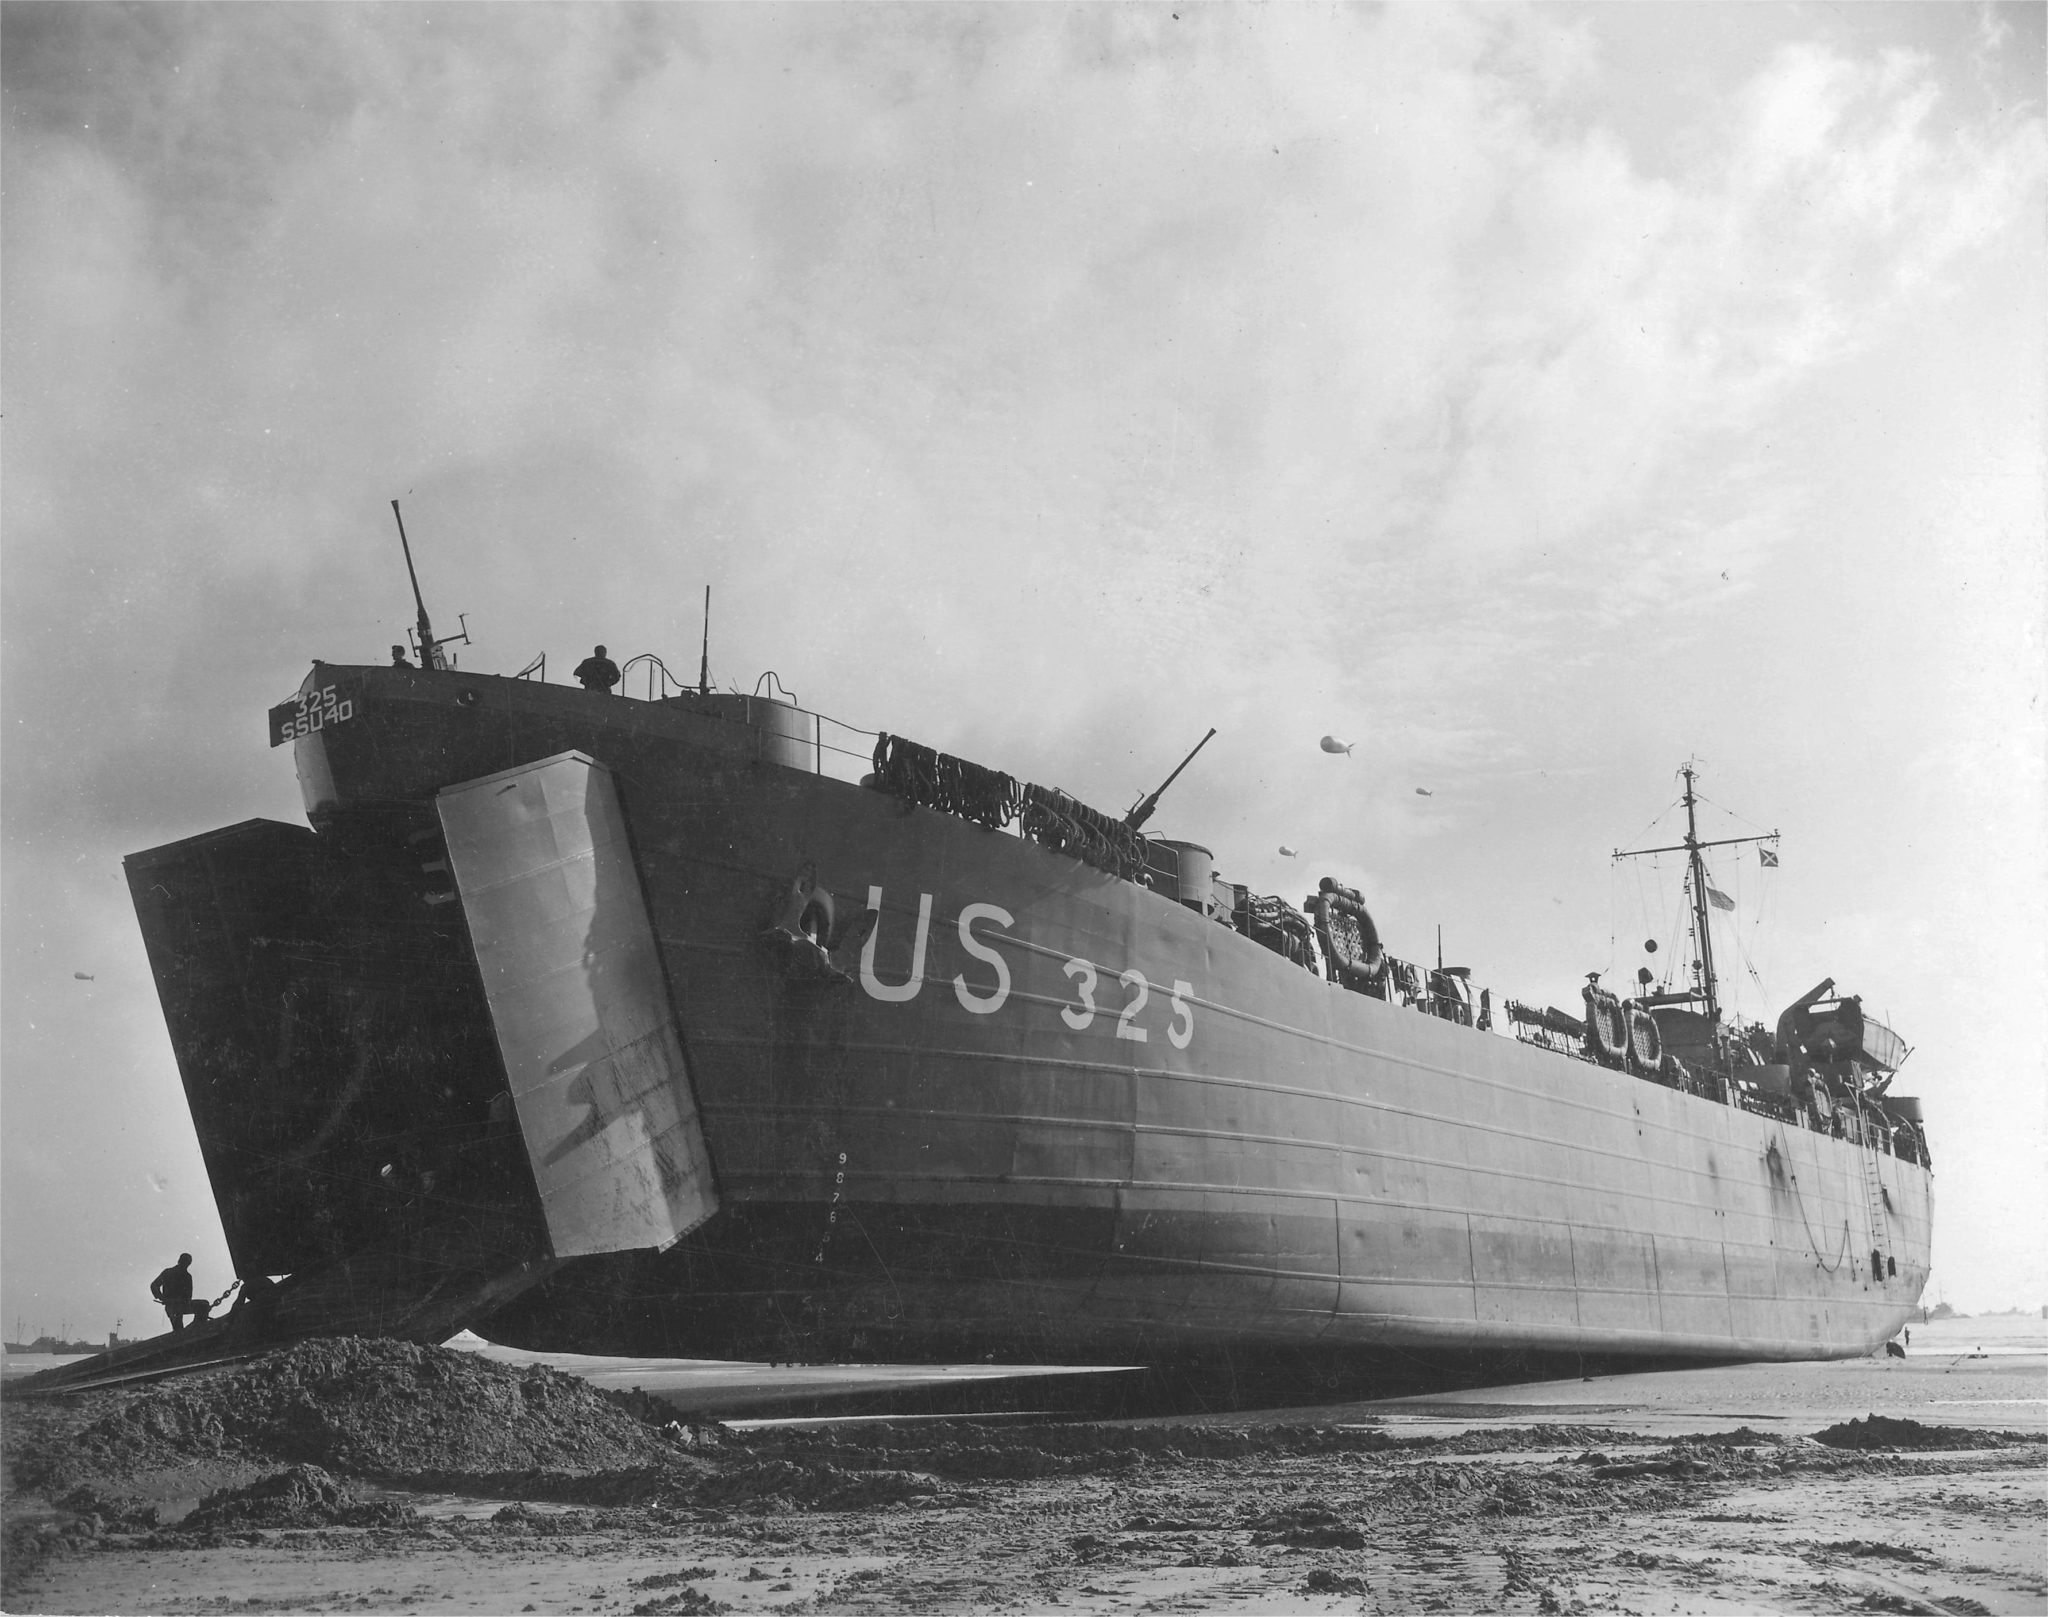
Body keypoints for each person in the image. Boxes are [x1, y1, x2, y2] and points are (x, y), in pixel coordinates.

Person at [150, 1253, 209, 1333]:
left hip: (181, 1305)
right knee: (179, 1328)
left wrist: (162, 1297)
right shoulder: (169, 1273)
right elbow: (154, 1286)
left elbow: (188, 1296)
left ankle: (195, 1327)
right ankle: (192, 1329)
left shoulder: (185, 1276)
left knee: (204, 1305)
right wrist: (162, 1298)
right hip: (173, 1307)